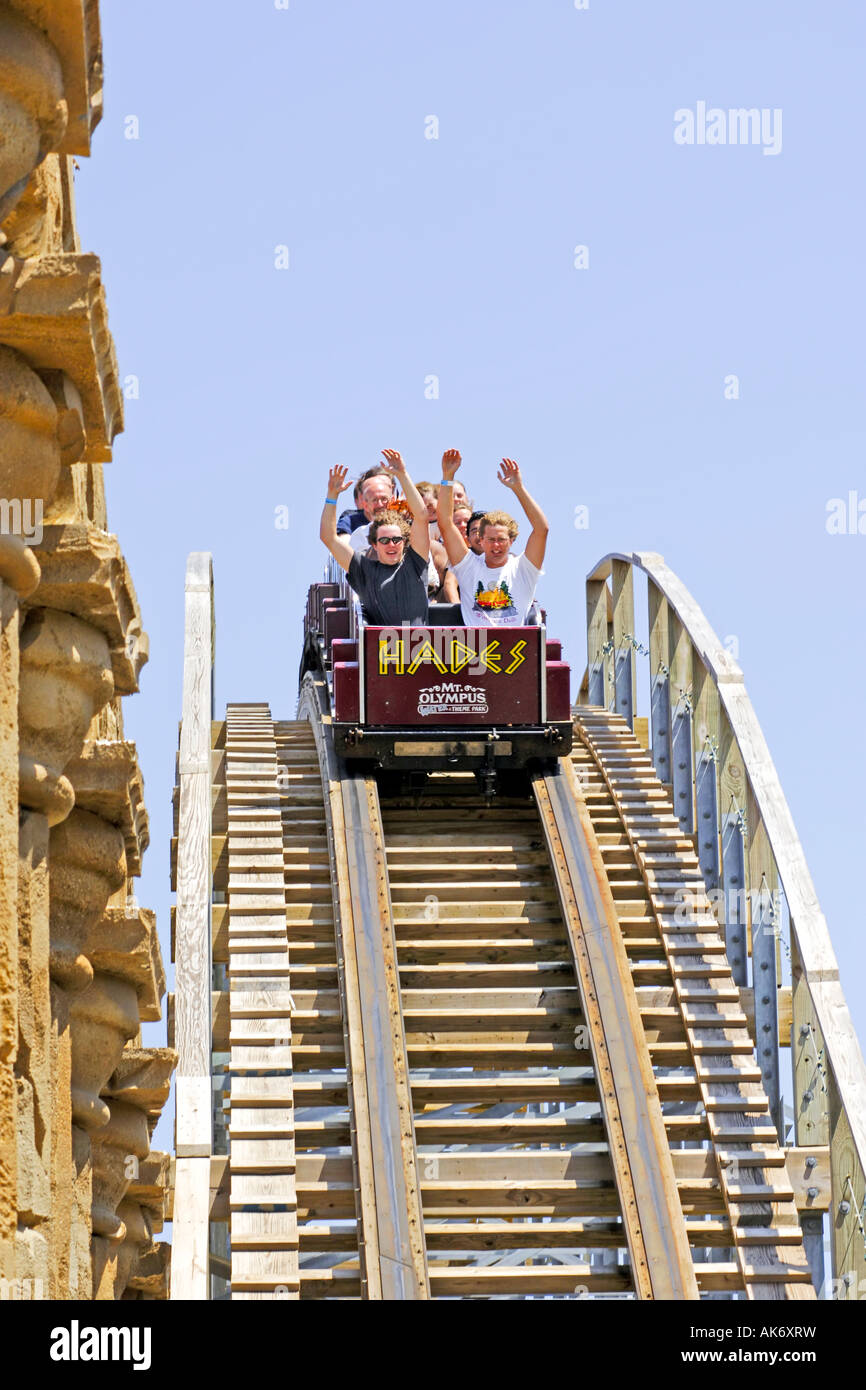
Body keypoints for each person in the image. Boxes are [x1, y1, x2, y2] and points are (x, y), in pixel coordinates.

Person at [437, 450, 548, 626]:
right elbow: (445, 523)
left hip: (515, 650)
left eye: (502, 540)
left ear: (511, 541)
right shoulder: (469, 567)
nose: (496, 545)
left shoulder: (523, 568)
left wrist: (518, 488)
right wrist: (448, 476)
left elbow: (541, 529)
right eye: (490, 540)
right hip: (476, 650)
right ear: (480, 540)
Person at [320, 452, 430, 625]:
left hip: (419, 649)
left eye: (396, 540)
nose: (391, 545)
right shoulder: (364, 570)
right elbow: (329, 538)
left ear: (405, 542)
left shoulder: (416, 563)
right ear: (374, 544)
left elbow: (422, 515)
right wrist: (332, 495)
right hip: (382, 650)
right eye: (384, 541)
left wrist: (402, 474)